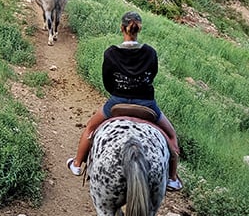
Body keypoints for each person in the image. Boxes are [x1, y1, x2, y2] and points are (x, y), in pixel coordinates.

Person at [66, 10, 182, 190]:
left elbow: (107, 81)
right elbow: (152, 75)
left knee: (90, 128)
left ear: (122, 28)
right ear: (139, 29)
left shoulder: (111, 53)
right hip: (147, 104)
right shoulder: (150, 52)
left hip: (117, 102)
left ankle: (77, 164)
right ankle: (172, 178)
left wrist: (120, 90)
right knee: (172, 136)